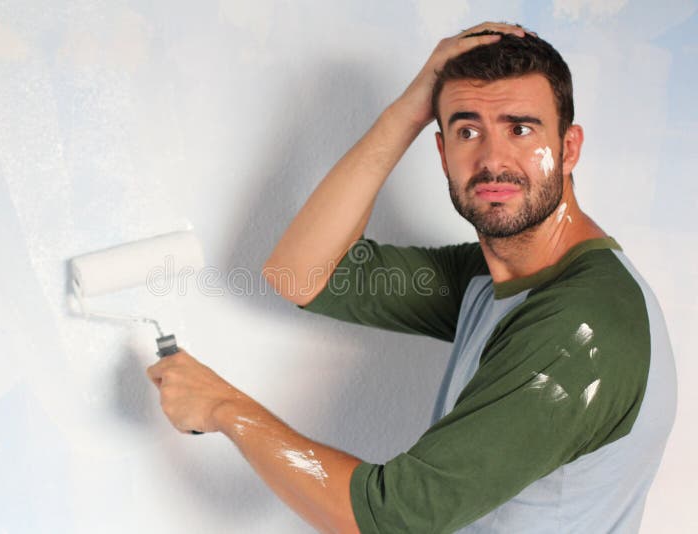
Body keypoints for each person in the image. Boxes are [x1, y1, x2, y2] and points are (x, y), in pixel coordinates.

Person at [146, 22, 677, 533]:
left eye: (521, 129)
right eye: (467, 130)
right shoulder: (493, 274)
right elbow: (299, 272)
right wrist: (406, 113)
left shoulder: (580, 326)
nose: (493, 159)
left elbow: (390, 518)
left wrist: (225, 407)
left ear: (570, 147)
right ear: (443, 152)